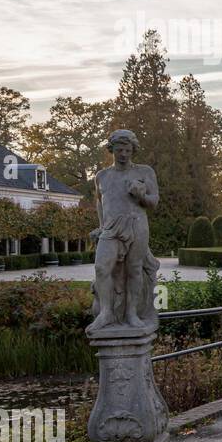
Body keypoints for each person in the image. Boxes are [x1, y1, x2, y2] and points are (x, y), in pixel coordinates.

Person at [87, 129, 161, 335]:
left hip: (136, 224)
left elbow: (154, 202)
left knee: (135, 269)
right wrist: (102, 226)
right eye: (119, 150)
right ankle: (106, 312)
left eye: (128, 150)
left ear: (133, 150)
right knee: (102, 268)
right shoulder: (101, 176)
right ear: (111, 150)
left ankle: (131, 314)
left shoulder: (144, 172)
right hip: (110, 229)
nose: (123, 154)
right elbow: (100, 202)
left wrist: (141, 196)